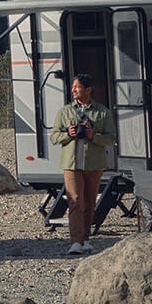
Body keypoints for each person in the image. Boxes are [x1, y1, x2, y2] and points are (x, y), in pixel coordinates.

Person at [49, 74, 116, 255]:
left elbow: (111, 138)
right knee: (75, 200)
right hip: (71, 164)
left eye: (77, 87)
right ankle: (75, 242)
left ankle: (86, 239)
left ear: (88, 90)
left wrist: (93, 135)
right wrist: (68, 134)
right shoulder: (65, 112)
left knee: (89, 203)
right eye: (73, 87)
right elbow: (54, 136)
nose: (73, 90)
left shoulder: (102, 112)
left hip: (94, 164)